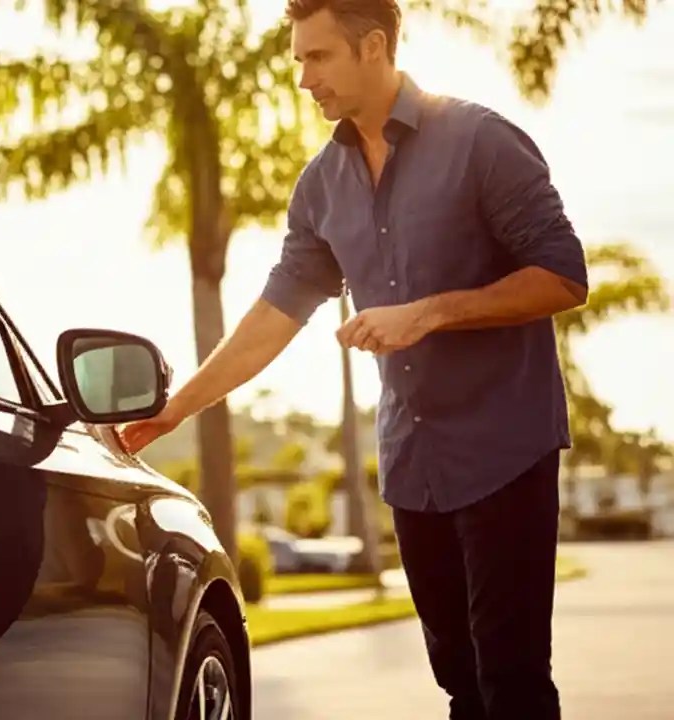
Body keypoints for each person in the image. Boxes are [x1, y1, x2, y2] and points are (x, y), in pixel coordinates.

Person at [118, 0, 588, 718]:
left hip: (505, 452)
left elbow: (562, 276)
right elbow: (275, 314)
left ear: (373, 47)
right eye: (298, 58)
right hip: (415, 464)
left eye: (318, 56)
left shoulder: (480, 141)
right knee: (461, 681)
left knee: (512, 680)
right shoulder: (320, 186)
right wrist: (172, 411)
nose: (303, 77)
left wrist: (430, 313)